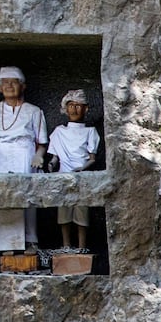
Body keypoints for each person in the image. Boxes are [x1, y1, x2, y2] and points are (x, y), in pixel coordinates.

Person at [0, 67, 47, 252]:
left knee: (27, 196)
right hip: (1, 156)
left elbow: (41, 143)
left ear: (23, 86)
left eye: (14, 82)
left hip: (25, 154)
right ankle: (7, 244)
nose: (9, 86)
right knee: (3, 197)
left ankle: (30, 241)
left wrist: (38, 155)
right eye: (5, 82)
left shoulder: (34, 111)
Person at [48, 89, 101, 252]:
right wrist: (51, 164)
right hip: (63, 176)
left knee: (81, 212)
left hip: (82, 177)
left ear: (86, 109)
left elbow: (92, 159)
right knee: (64, 212)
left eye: (79, 106)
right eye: (71, 105)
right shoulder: (59, 132)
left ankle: (82, 247)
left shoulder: (90, 132)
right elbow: (55, 157)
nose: (74, 109)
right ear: (65, 108)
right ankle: (65, 246)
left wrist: (82, 168)